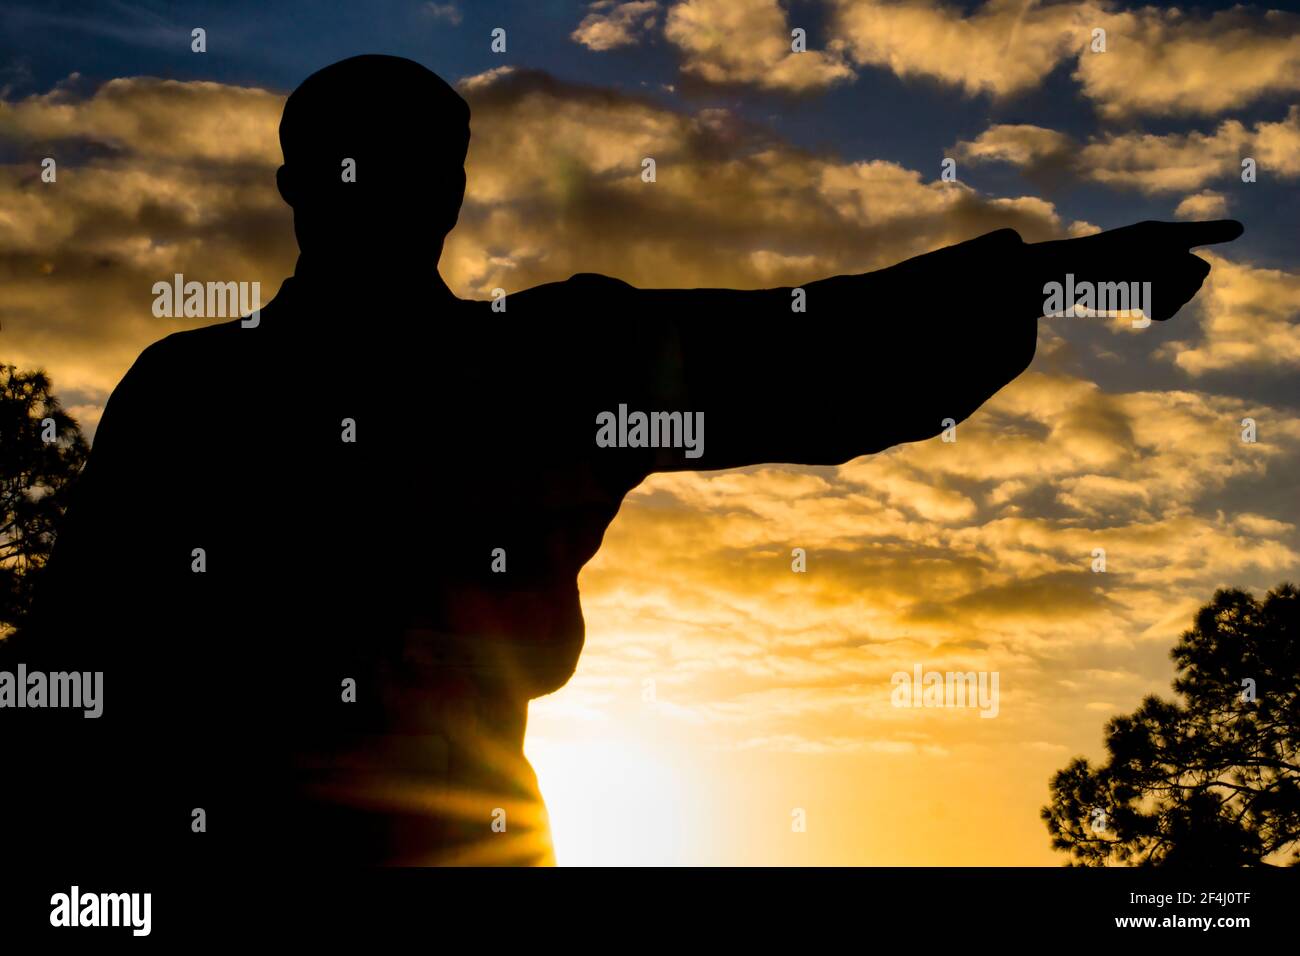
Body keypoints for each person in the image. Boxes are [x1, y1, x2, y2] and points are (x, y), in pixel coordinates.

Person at [16, 54, 1242, 866]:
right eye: (368, 165)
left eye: (406, 165)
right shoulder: (211, 389)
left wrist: (1047, 274)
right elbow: (70, 670)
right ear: (303, 185)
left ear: (444, 189)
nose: (390, 193)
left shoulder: (543, 363)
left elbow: (804, 345)